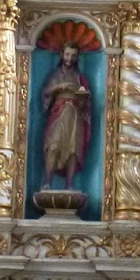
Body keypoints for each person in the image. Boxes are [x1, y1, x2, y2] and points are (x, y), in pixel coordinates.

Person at [39, 42, 92, 190]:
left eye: (73, 56)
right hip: (59, 113)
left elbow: (86, 102)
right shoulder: (56, 75)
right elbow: (45, 92)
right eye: (67, 54)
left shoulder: (79, 78)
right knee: (53, 145)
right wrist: (60, 87)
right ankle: (47, 182)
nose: (70, 58)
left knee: (73, 149)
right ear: (62, 55)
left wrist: (82, 99)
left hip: (75, 115)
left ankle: (69, 185)